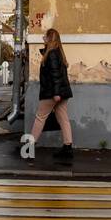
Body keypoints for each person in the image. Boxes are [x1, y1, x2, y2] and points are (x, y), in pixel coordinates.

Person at [28, 28, 73, 163]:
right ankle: (67, 147)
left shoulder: (52, 54)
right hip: (60, 92)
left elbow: (55, 75)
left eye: (45, 36)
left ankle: (29, 147)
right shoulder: (58, 52)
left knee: (40, 117)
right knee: (63, 118)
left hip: (52, 93)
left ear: (50, 38)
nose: (43, 38)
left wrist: (56, 93)